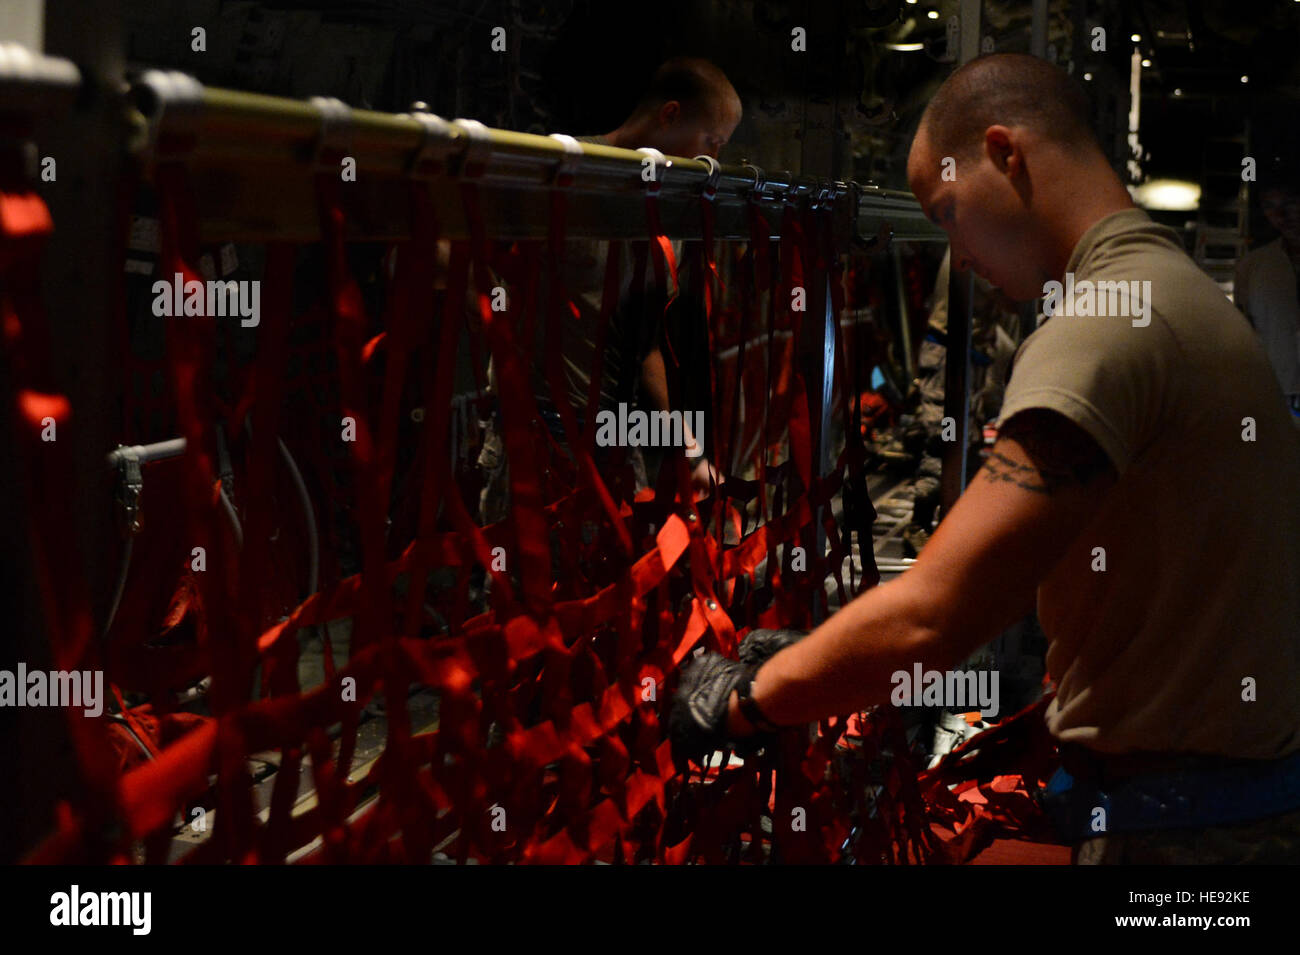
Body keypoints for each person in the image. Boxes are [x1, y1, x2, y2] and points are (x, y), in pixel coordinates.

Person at [671, 53, 1300, 864]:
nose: (958, 257)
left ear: (1005, 154)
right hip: (1217, 812)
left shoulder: (1099, 330)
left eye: (945, 214)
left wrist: (746, 702)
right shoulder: (1168, 291)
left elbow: (938, 614)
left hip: (1184, 838)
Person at [477, 57, 740, 522]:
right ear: (671, 115)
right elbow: (469, 259)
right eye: (712, 141)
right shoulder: (560, 170)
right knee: (524, 583)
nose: (712, 160)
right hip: (535, 429)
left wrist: (691, 454)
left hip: (618, 435)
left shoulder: (663, 207)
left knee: (621, 580)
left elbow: (643, 344)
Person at [1235, 157, 1300, 424]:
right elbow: (1244, 336)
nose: (1281, 216)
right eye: (1270, 207)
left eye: (1291, 204)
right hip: (1277, 397)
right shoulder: (1254, 267)